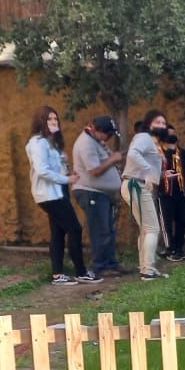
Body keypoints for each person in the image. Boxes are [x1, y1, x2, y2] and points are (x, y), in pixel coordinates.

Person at [24, 105, 97, 285]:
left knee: (58, 232)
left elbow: (58, 168)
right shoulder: (38, 143)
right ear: (41, 122)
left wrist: (68, 176)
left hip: (58, 191)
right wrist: (65, 180)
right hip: (48, 194)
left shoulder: (52, 143)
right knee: (74, 228)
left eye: (55, 119)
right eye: (49, 119)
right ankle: (80, 271)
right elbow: (42, 170)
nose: (53, 122)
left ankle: (58, 274)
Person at [73, 116, 126, 276]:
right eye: (108, 135)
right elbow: (94, 171)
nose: (109, 138)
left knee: (108, 230)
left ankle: (111, 263)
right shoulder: (86, 143)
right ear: (99, 131)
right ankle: (101, 266)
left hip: (101, 193)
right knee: (100, 230)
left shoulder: (96, 141)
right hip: (91, 192)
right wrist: (113, 159)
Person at [125, 111, 168, 281]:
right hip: (136, 185)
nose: (162, 126)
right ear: (149, 124)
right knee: (152, 229)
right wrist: (148, 171)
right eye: (158, 122)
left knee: (146, 229)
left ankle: (146, 268)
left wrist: (161, 174)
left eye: (164, 123)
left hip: (138, 184)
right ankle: (147, 271)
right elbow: (132, 154)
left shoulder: (152, 141)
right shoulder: (143, 137)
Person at [156, 118, 185, 261]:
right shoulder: (159, 153)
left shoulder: (182, 153)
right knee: (166, 222)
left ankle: (179, 248)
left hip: (181, 192)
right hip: (165, 193)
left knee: (182, 221)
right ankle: (169, 249)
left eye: (173, 135)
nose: (172, 138)